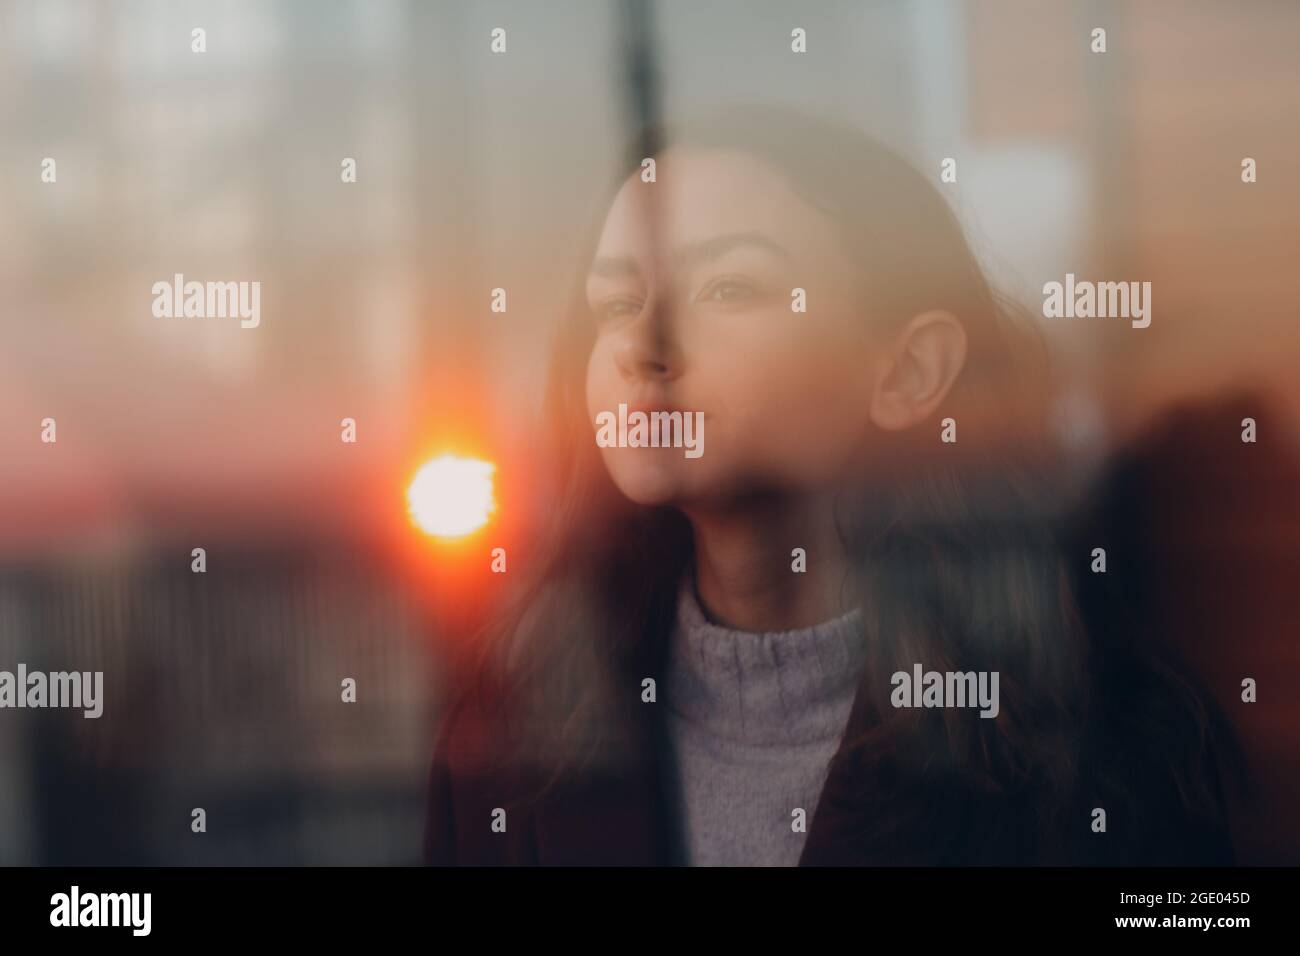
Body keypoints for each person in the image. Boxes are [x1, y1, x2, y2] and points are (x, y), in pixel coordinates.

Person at [423, 104, 1237, 866]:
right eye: (615, 301)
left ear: (910, 370)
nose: (642, 345)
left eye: (728, 287)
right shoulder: (511, 734)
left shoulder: (1099, 746)